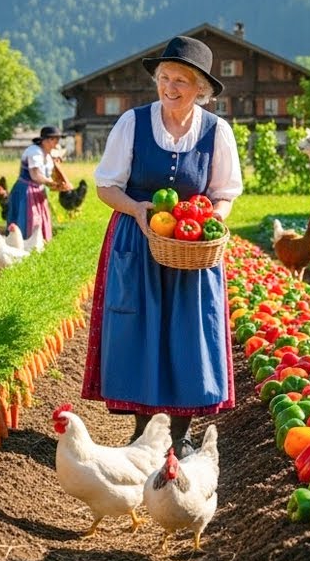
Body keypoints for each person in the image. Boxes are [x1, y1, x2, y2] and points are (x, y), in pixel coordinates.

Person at [82, 35, 244, 457]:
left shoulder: (216, 131)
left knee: (190, 330)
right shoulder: (132, 123)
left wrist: (212, 218)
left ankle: (181, 435)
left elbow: (225, 193)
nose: (170, 87)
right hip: (138, 241)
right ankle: (142, 436)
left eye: (182, 81)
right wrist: (137, 210)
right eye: (165, 77)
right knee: (139, 328)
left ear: (201, 90)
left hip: (191, 249)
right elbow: (106, 186)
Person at [7, 125, 63, 244]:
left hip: (38, 191)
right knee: (28, 220)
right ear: (47, 140)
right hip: (26, 191)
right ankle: (24, 246)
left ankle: (38, 246)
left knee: (40, 220)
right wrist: (52, 183)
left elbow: (48, 174)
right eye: (55, 140)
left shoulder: (47, 155)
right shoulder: (34, 152)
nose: (56, 144)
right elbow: (35, 175)